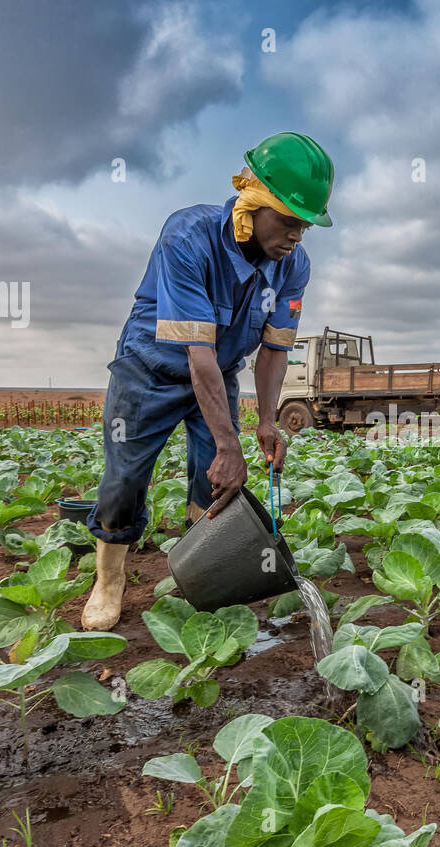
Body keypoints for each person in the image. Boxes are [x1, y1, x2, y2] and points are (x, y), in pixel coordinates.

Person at [81, 132, 334, 630]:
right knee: (124, 480)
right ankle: (109, 581)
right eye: (287, 221)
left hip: (216, 376)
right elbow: (196, 353)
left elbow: (274, 351)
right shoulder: (187, 236)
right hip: (150, 371)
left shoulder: (293, 266)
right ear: (252, 204)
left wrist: (265, 422)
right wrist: (229, 442)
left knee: (213, 481)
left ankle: (198, 573)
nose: (295, 237)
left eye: (304, 227)